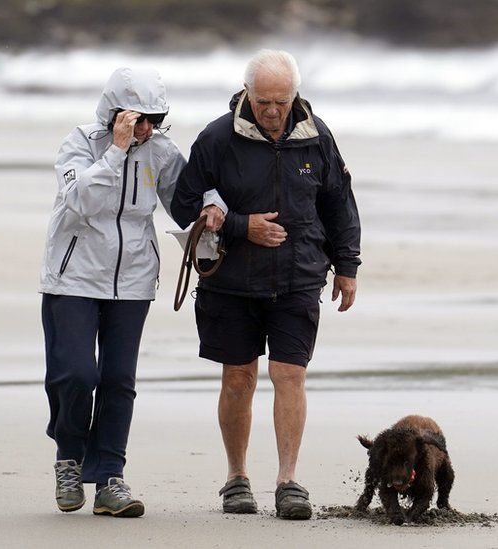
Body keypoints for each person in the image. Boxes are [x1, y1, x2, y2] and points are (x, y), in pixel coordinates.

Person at [171, 49, 361, 520]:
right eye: (262, 102)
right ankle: (237, 478)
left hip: (298, 277)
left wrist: (347, 265)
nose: (272, 111)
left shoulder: (317, 137)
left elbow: (339, 201)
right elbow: (183, 204)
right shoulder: (217, 137)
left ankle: (288, 480)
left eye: (280, 101)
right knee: (238, 378)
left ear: (294, 95)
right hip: (231, 283)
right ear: (247, 94)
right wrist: (239, 225)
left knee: (289, 375)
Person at [39, 67, 225, 517]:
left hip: (135, 281)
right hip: (74, 278)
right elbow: (80, 200)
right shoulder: (80, 143)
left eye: (154, 120)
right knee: (77, 375)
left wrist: (212, 204)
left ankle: (109, 480)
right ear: (114, 113)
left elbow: (186, 197)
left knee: (119, 381)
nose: (146, 129)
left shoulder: (160, 150)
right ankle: (69, 457)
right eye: (137, 119)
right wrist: (118, 152)